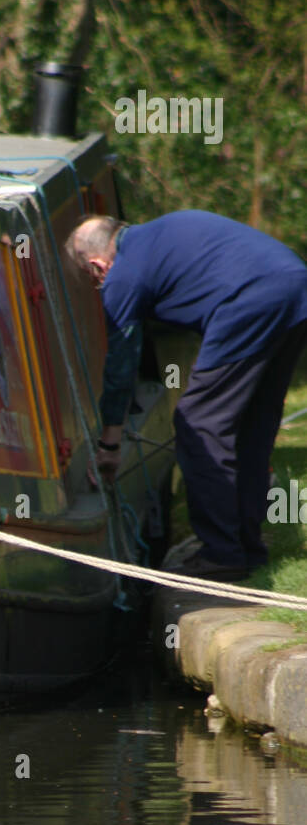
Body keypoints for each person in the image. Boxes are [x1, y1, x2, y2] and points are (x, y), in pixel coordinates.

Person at [65, 210, 307, 580]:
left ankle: (223, 554)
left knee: (198, 422)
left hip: (251, 301)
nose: (99, 286)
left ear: (98, 265)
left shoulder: (123, 275)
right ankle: (247, 547)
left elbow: (121, 362)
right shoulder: (160, 234)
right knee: (251, 424)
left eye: (93, 279)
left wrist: (110, 442)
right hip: (295, 287)